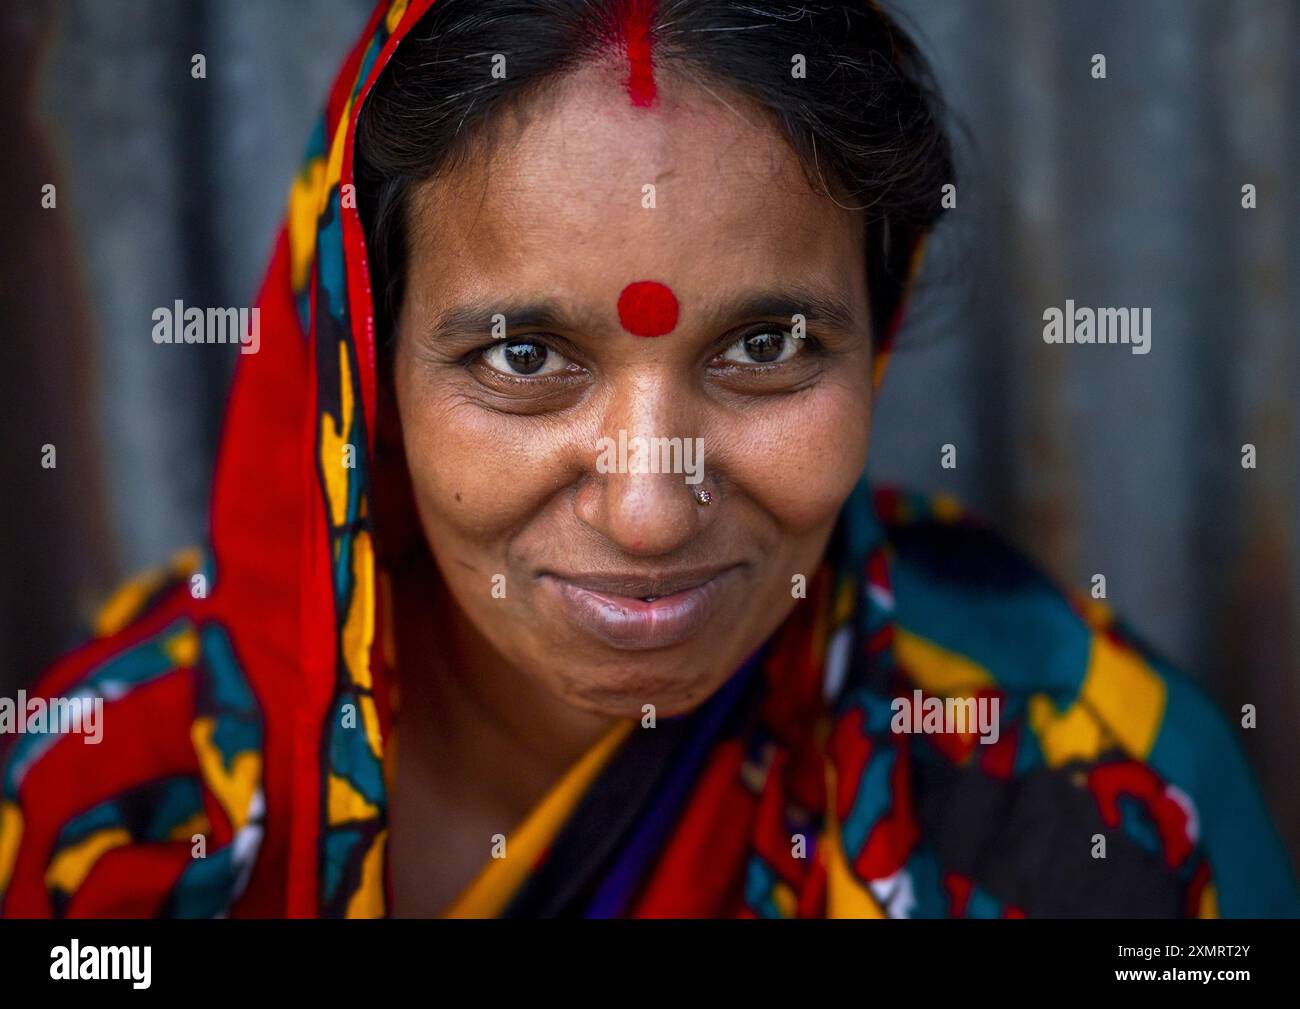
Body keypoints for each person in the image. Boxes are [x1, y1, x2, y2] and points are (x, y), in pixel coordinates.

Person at [1, 0, 1295, 919]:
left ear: (879, 332)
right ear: (366, 369)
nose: (648, 508)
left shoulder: (1104, 800)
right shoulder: (101, 816)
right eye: (522, 356)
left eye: (769, 343)